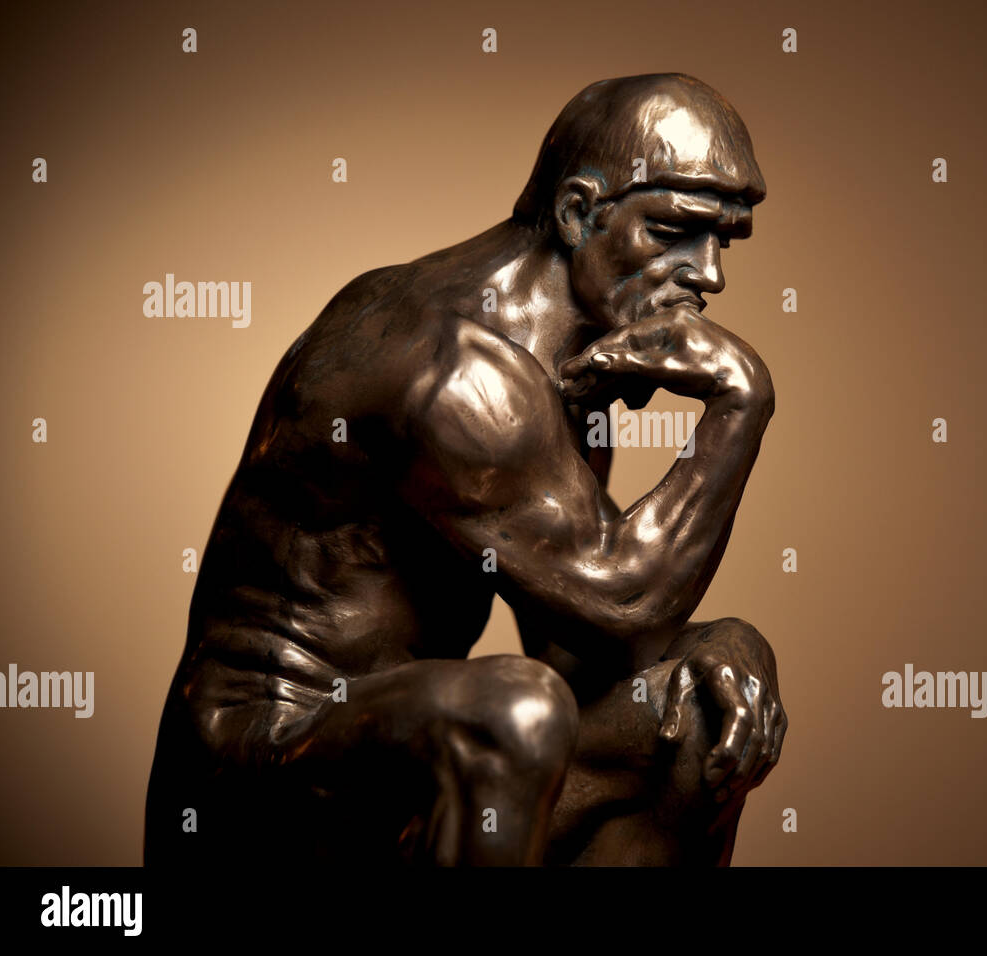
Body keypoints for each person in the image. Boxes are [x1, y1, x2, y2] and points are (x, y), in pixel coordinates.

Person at [146, 73, 785, 866]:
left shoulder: (571, 364)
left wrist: (727, 642)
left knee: (690, 711)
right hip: (255, 779)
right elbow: (622, 605)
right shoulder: (456, 368)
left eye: (723, 241)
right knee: (516, 713)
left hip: (412, 758)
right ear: (578, 212)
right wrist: (739, 405)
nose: (709, 275)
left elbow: (585, 646)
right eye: (673, 232)